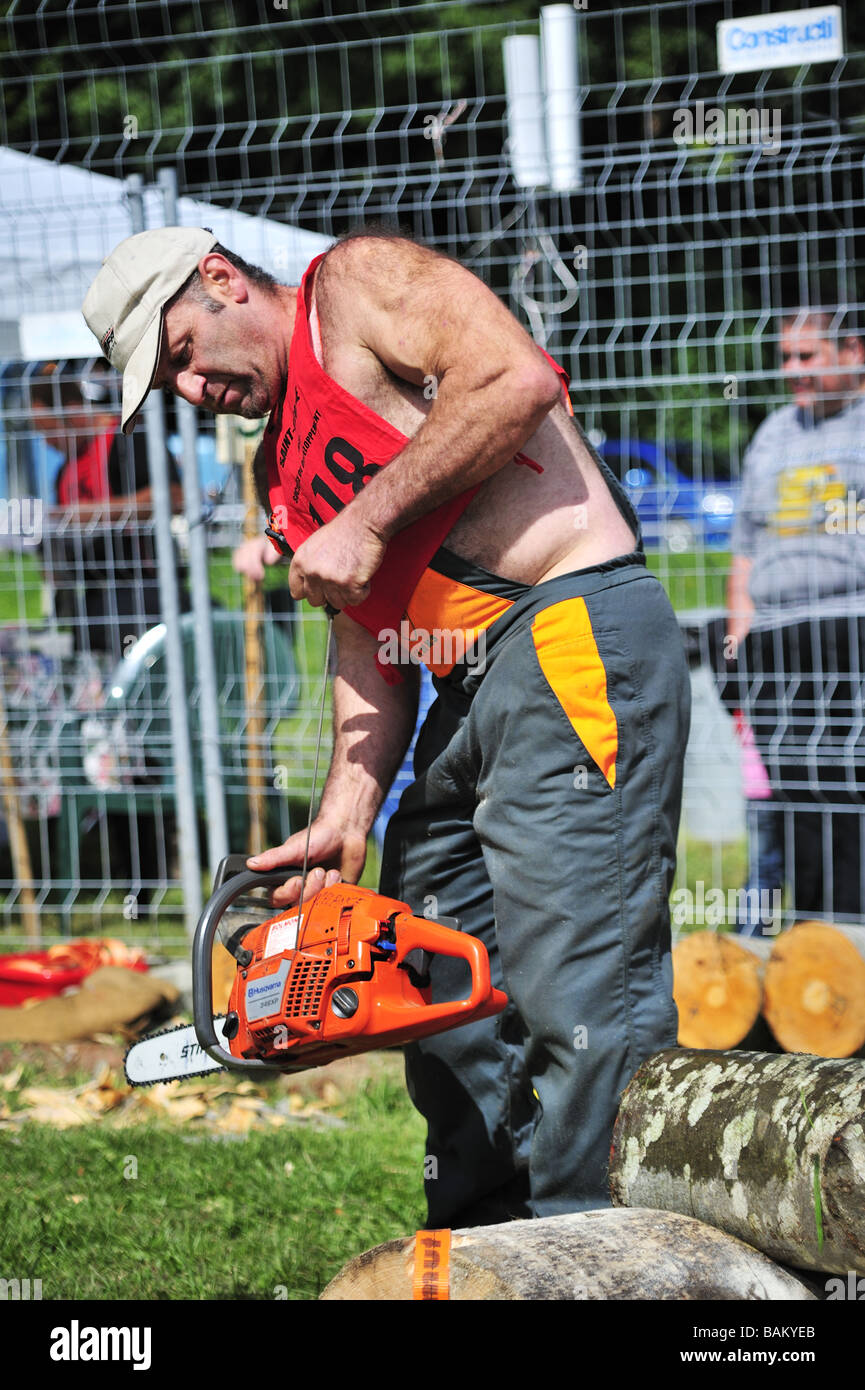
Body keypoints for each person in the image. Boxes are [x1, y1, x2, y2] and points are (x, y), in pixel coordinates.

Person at [83, 225, 690, 1226]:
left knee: (576, 990)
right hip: (458, 681)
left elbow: (514, 380)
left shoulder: (357, 288)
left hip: (567, 625)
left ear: (222, 279)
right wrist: (345, 808)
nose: (191, 391)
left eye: (182, 354)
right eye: (168, 386)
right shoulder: (279, 465)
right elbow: (367, 630)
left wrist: (361, 522)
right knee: (433, 979)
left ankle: (601, 1255)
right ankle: (479, 1254)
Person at [724, 308, 865, 923]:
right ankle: (812, 934)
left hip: (853, 631)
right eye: (786, 358)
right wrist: (739, 637)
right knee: (794, 789)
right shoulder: (774, 434)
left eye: (806, 357)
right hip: (779, 644)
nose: (791, 371)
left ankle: (853, 925)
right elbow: (745, 549)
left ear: (853, 351)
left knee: (851, 786)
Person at [29, 360, 185, 662]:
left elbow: (174, 497)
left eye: (48, 431)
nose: (47, 444)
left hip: (145, 592)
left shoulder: (128, 437)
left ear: (72, 411)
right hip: (89, 604)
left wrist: (96, 513)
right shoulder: (65, 473)